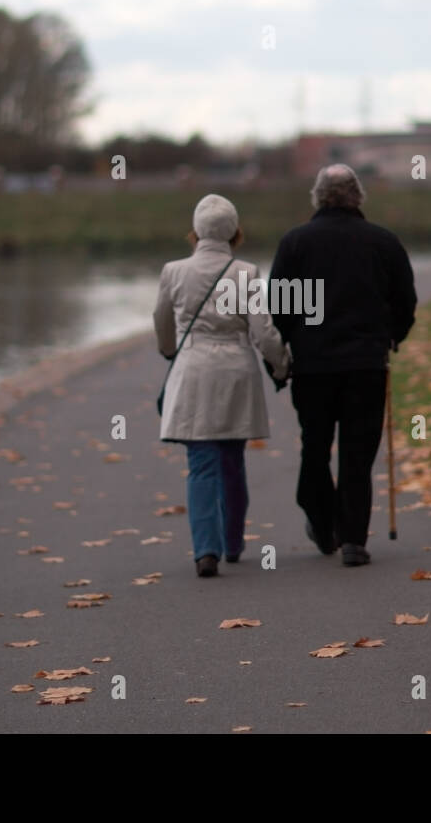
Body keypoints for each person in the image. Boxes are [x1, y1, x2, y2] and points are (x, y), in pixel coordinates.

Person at [270, 165, 416, 567]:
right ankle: (353, 538)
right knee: (357, 451)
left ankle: (321, 518)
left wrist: (286, 349)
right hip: (366, 363)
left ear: (317, 197)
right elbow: (405, 300)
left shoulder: (295, 243)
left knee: (314, 447)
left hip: (312, 365)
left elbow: (279, 309)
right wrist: (393, 337)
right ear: (358, 197)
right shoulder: (383, 243)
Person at [154, 195, 290, 578]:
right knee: (233, 460)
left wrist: (170, 351)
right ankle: (233, 542)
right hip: (235, 371)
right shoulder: (244, 272)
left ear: (195, 231)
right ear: (235, 232)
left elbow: (162, 323)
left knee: (200, 464)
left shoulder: (173, 271)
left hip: (193, 369)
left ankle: (205, 551)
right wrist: (280, 366)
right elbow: (263, 330)